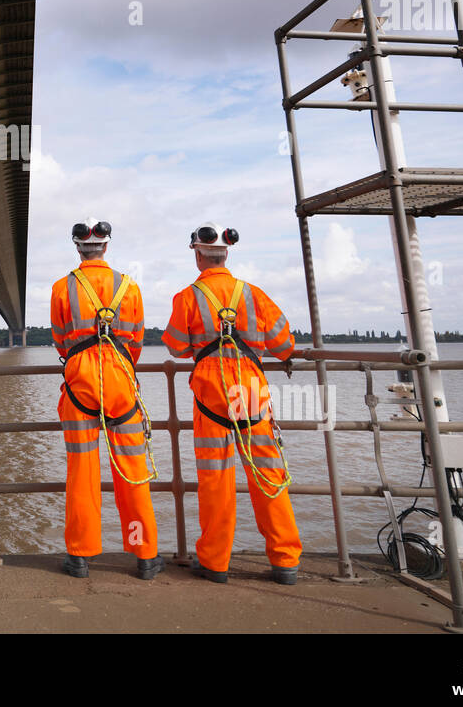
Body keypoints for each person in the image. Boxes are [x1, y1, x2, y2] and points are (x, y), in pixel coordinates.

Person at [163, 222, 301, 584]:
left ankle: (215, 561)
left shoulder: (188, 297)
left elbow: (176, 346)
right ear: (227, 254)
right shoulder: (253, 295)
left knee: (216, 483)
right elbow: (283, 342)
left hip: (211, 399)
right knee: (267, 477)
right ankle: (285, 561)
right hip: (251, 394)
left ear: (197, 255)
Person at [50, 217, 164, 580]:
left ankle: (80, 558)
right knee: (132, 474)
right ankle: (145, 557)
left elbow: (60, 340)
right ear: (106, 246)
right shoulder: (129, 287)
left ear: (78, 247)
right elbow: (136, 341)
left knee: (81, 475)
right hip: (121, 385)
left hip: (80, 385)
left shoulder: (61, 288)